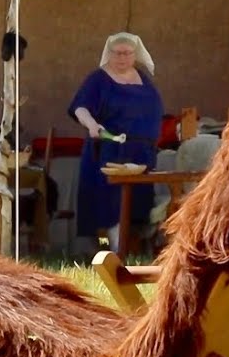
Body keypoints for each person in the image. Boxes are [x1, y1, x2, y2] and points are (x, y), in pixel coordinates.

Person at [67, 32, 165, 252]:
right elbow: (80, 107)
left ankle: (135, 251)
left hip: (142, 154)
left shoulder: (143, 79)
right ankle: (114, 252)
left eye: (127, 53)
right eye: (117, 53)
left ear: (135, 54)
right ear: (109, 54)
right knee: (111, 205)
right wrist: (91, 124)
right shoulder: (98, 79)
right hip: (110, 152)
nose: (122, 57)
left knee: (138, 205)